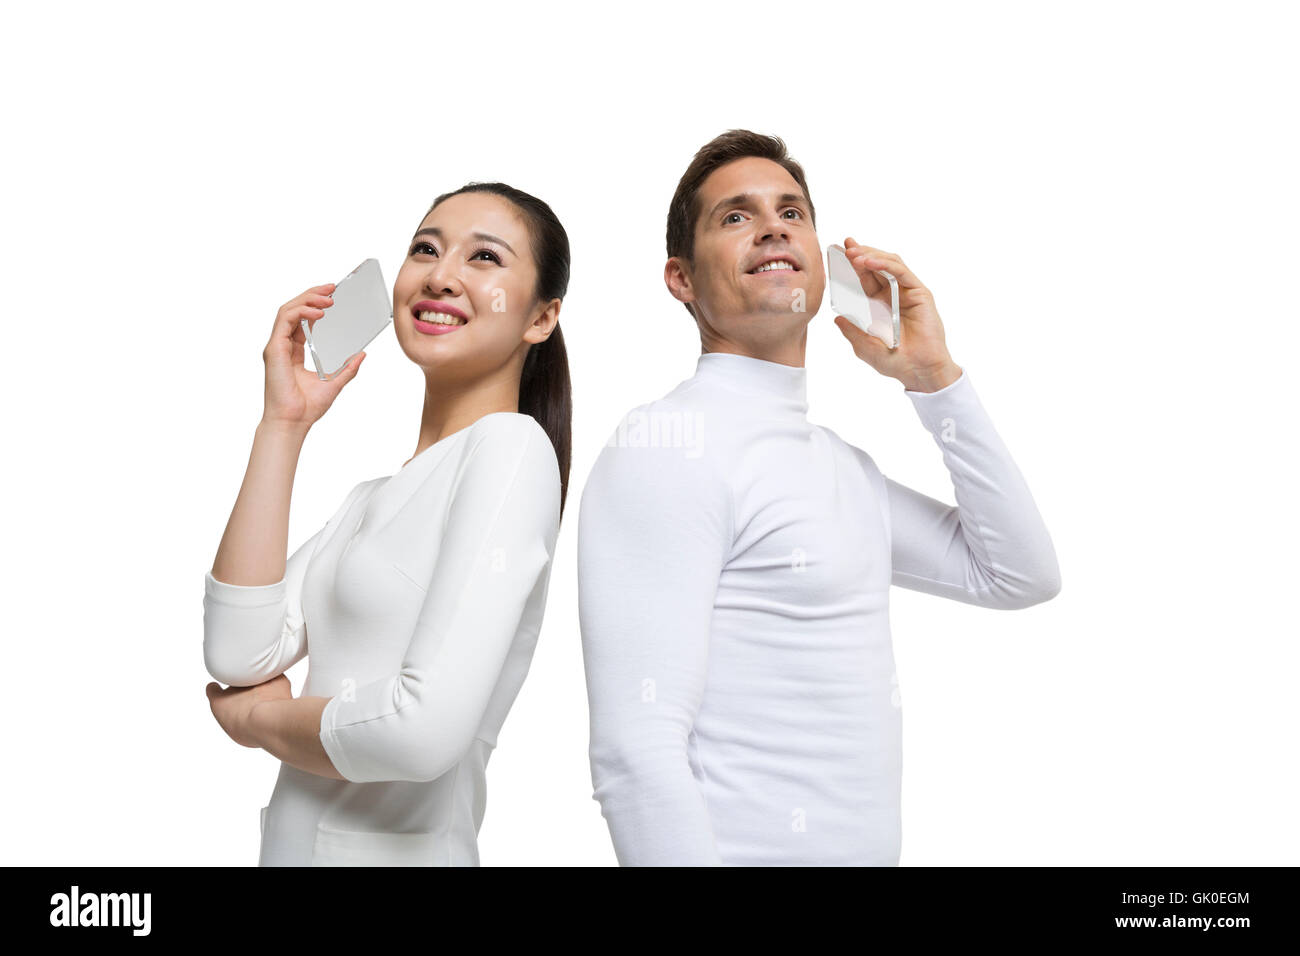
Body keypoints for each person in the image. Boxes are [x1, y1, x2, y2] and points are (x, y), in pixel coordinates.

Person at [577, 130, 1061, 866]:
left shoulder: (842, 470)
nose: (773, 225)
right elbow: (634, 751)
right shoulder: (667, 446)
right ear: (681, 279)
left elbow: (1020, 574)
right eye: (735, 217)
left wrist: (933, 378)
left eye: (791, 212)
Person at [202, 182, 571, 866]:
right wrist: (282, 426)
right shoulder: (369, 498)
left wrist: (259, 720)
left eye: (484, 258)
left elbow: (419, 733)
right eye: (425, 249)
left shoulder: (510, 451)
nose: (442, 275)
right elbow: (234, 651)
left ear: (540, 318)